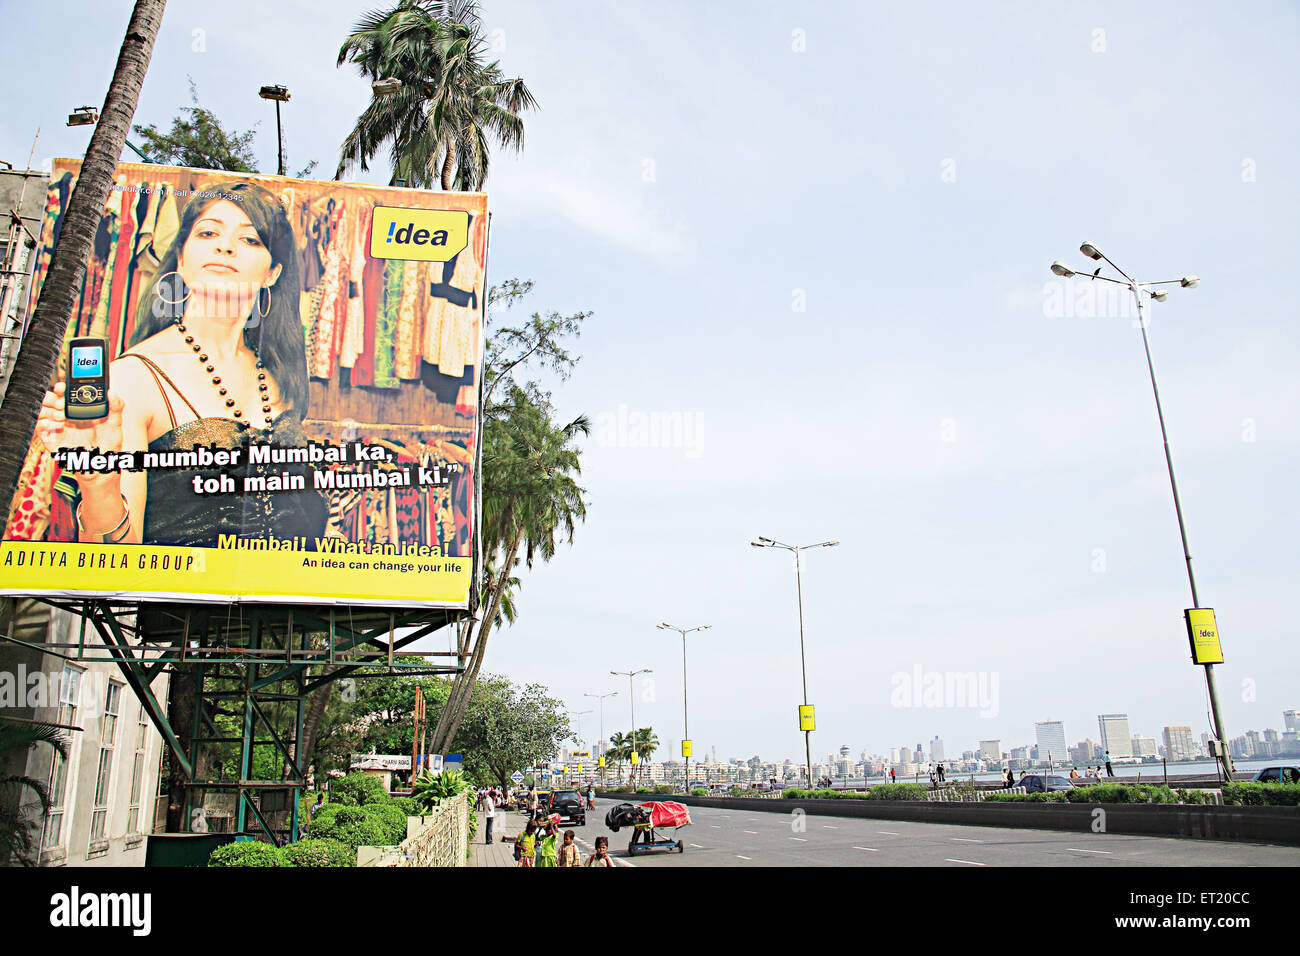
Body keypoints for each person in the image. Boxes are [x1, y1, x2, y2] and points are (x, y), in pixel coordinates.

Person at [36, 181, 326, 547]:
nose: (225, 246)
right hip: (185, 604)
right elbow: (115, 566)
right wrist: (98, 484)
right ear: (181, 260)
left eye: (250, 240)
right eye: (208, 232)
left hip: (293, 602)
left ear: (273, 273)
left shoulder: (280, 376)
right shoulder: (133, 380)